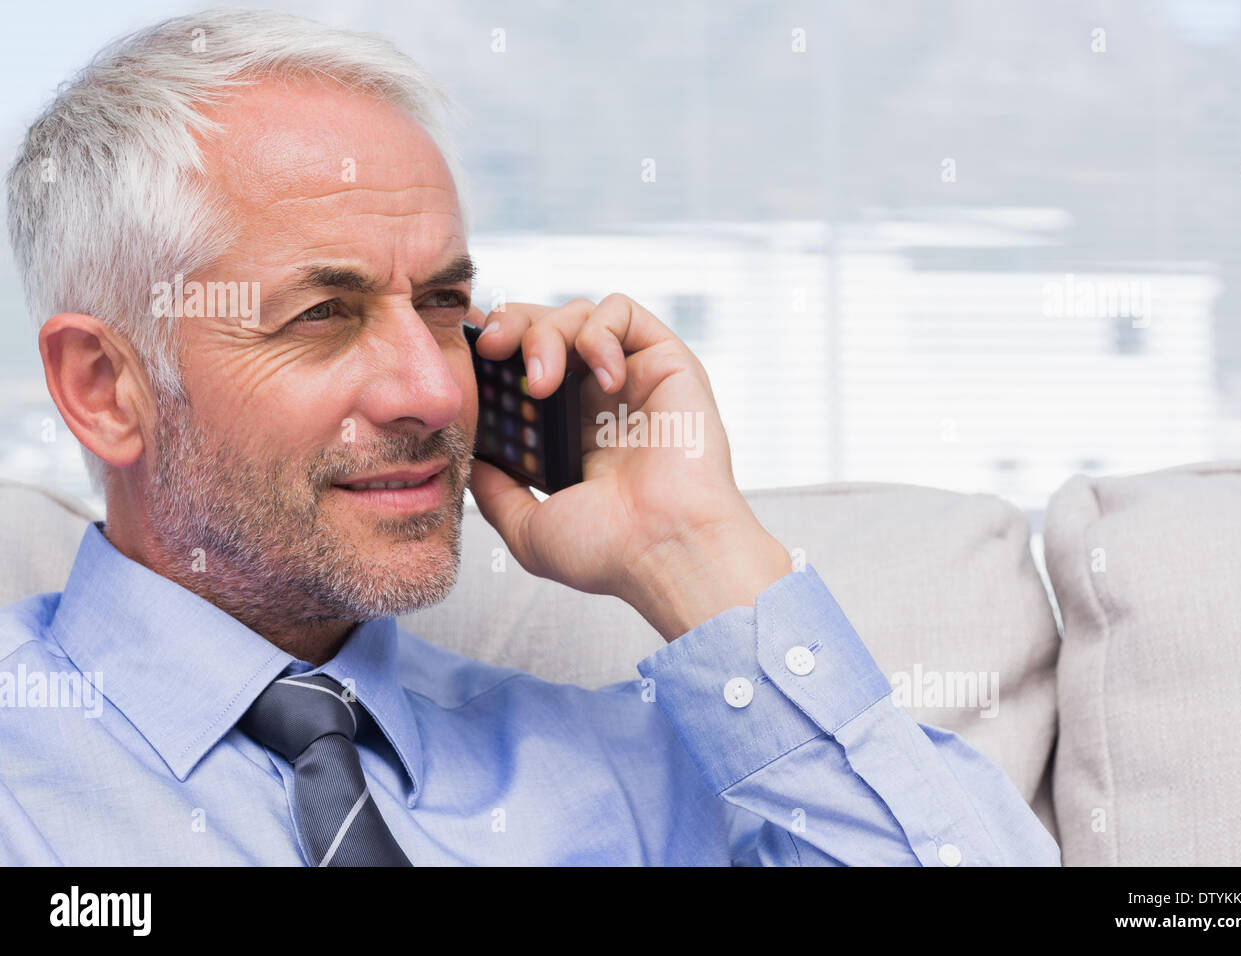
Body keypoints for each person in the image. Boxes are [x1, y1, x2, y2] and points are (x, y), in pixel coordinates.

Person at [0, 9, 1059, 866]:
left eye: (448, 305)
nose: (432, 387)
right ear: (105, 388)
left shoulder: (640, 767)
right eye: (322, 314)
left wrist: (691, 551)